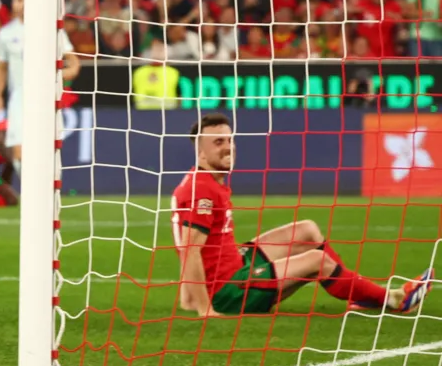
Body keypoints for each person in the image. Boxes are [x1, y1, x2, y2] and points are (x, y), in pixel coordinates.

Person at [172, 113, 433, 317]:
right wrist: (204, 308)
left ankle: (360, 294)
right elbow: (190, 249)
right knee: (318, 261)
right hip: (229, 291)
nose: (228, 147)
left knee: (306, 229)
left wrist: (187, 297)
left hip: (234, 268)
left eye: (229, 140)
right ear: (201, 151)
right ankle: (394, 299)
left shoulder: (206, 180)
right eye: (218, 142)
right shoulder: (202, 191)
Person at [0, 0, 80, 176]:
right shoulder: (5, 34)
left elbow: (74, 63)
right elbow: (1, 69)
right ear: (12, 4)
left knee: (47, 150)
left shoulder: (51, 29)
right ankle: (33, 200)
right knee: (18, 150)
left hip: (46, 98)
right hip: (18, 99)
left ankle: (47, 195)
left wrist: (58, 75)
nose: (21, 3)